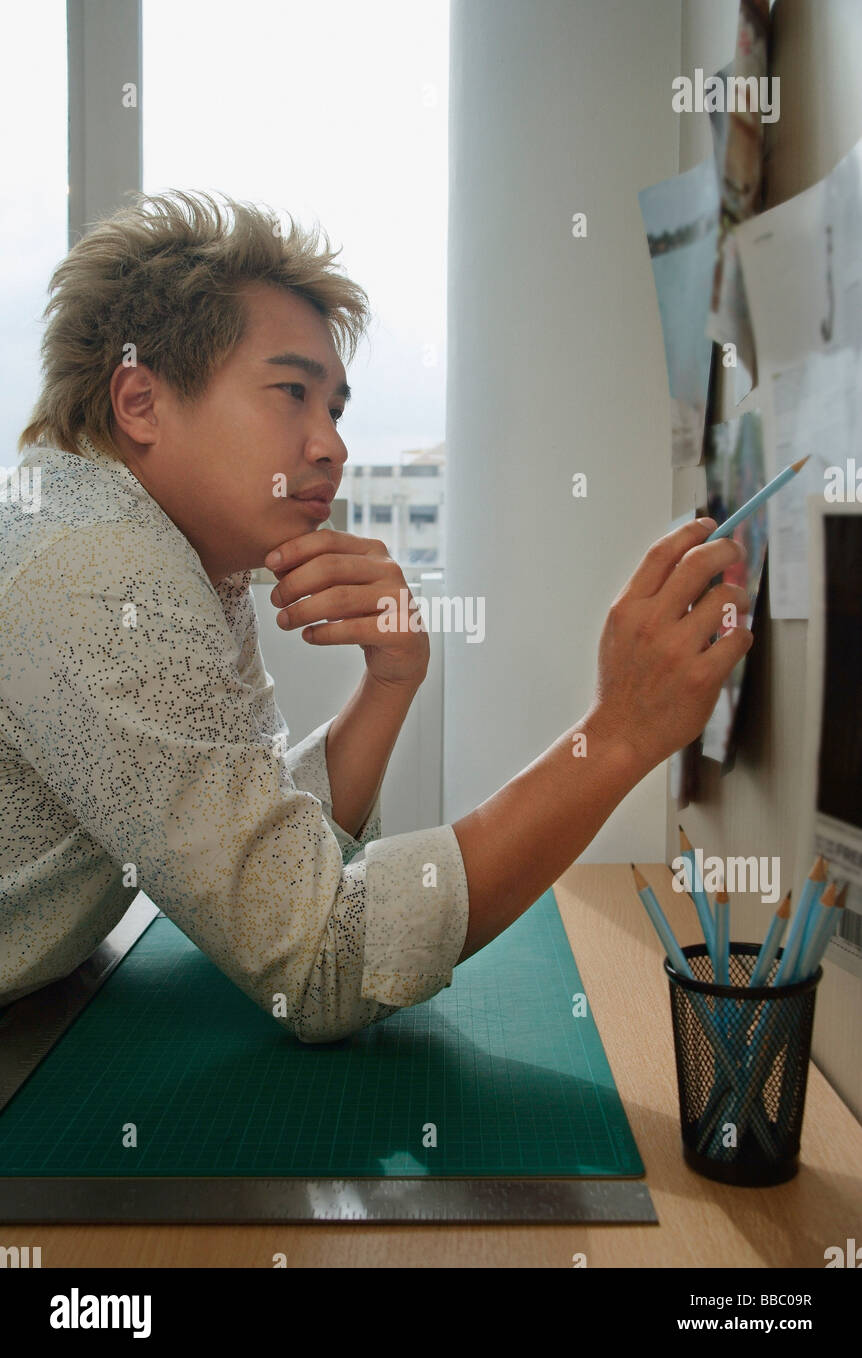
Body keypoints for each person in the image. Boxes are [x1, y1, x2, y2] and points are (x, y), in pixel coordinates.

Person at [0, 190, 753, 1041]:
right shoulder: (98, 572)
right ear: (140, 401)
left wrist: (391, 683)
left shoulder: (179, 558)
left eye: (337, 409)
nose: (332, 445)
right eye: (292, 391)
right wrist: (621, 733)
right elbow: (321, 961)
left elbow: (268, 843)